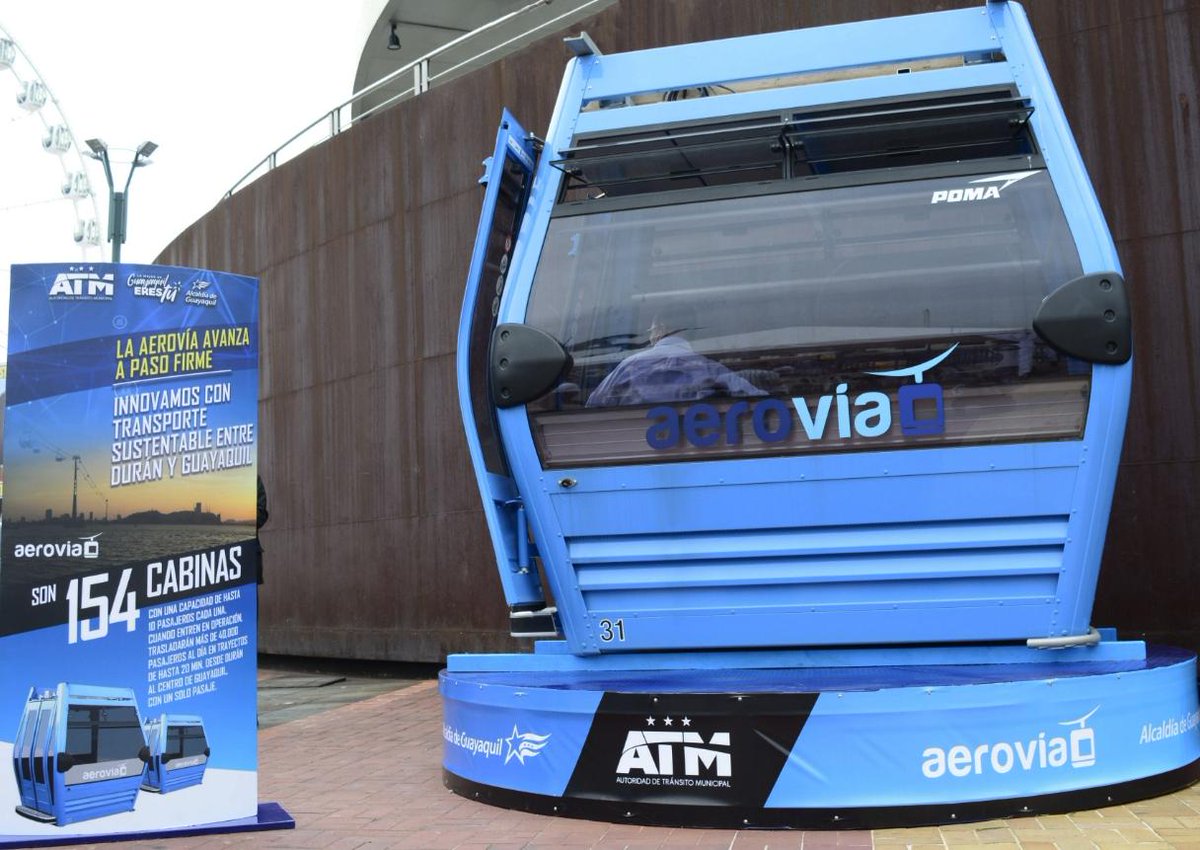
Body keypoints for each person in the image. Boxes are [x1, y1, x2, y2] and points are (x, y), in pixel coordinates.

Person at [586, 304, 765, 407]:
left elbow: (593, 405)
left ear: (661, 329)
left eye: (651, 330)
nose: (649, 337)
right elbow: (758, 399)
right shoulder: (710, 368)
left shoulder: (629, 366)